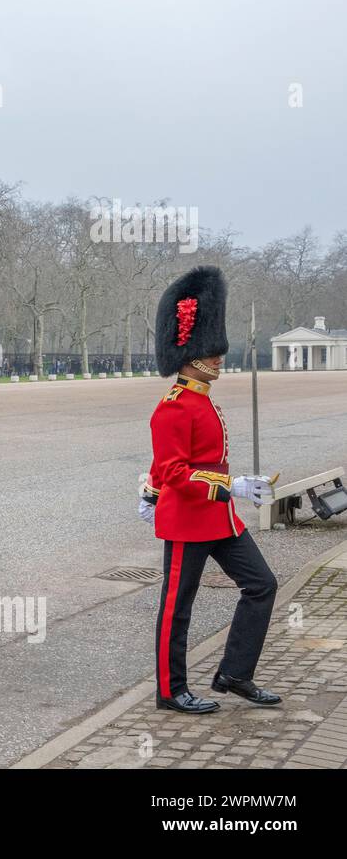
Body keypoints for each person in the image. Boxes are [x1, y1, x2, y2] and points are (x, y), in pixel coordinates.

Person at [143, 265, 280, 714]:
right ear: (190, 353)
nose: (219, 358)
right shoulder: (173, 407)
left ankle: (235, 672)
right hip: (187, 520)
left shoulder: (202, 399)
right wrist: (231, 486)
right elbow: (176, 471)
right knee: (177, 607)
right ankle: (169, 690)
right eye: (212, 352)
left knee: (261, 585)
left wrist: (236, 488)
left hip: (219, 519)